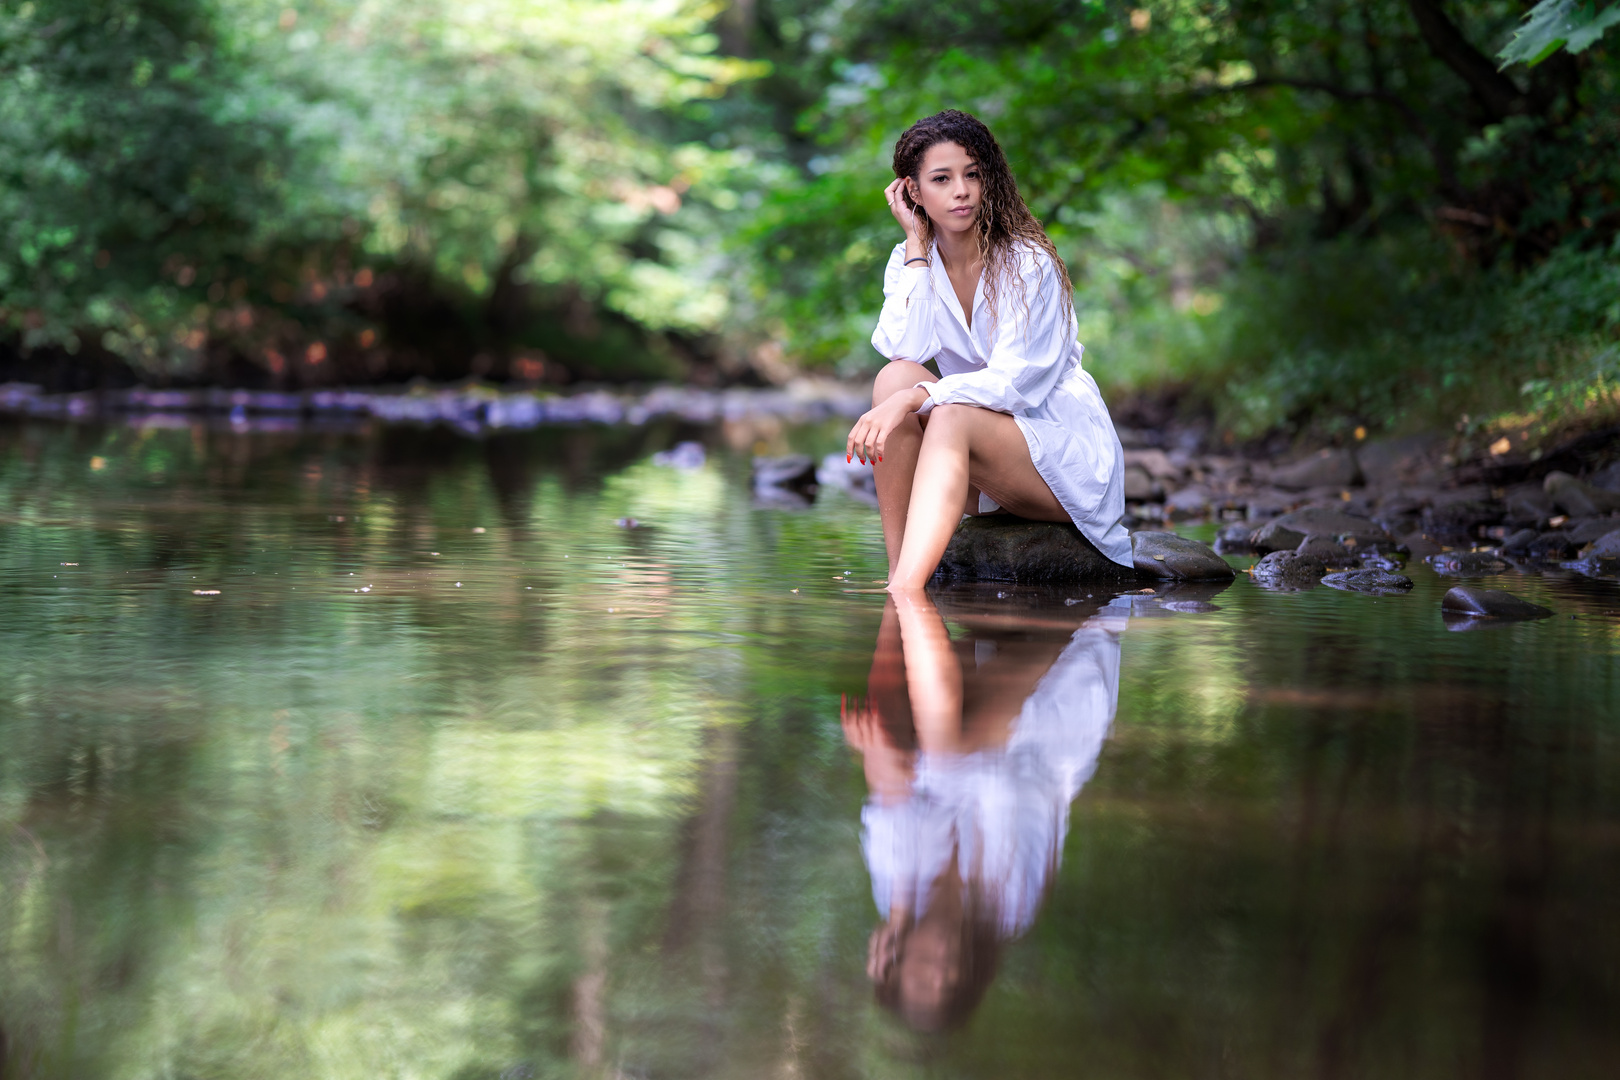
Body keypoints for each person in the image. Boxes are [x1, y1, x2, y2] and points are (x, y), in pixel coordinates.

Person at [845, 110, 1132, 590]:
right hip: (972, 459)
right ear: (912, 192)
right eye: (942, 178)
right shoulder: (910, 259)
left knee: (940, 408)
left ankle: (905, 593)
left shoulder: (1027, 263)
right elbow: (902, 348)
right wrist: (916, 246)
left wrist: (917, 398)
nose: (962, 190)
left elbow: (1015, 385)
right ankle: (901, 568)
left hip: (1057, 460)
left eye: (973, 175)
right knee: (894, 378)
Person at [841, 590, 1126, 1031]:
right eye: (950, 982)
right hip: (1048, 728)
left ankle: (899, 589)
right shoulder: (1011, 904)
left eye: (921, 976)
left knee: (892, 747)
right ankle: (1073, 623)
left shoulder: (898, 900)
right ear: (970, 975)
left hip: (978, 721)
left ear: (898, 961)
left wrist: (897, 914)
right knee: (935, 755)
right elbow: (1006, 786)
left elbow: (889, 802)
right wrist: (910, 772)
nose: (940, 971)